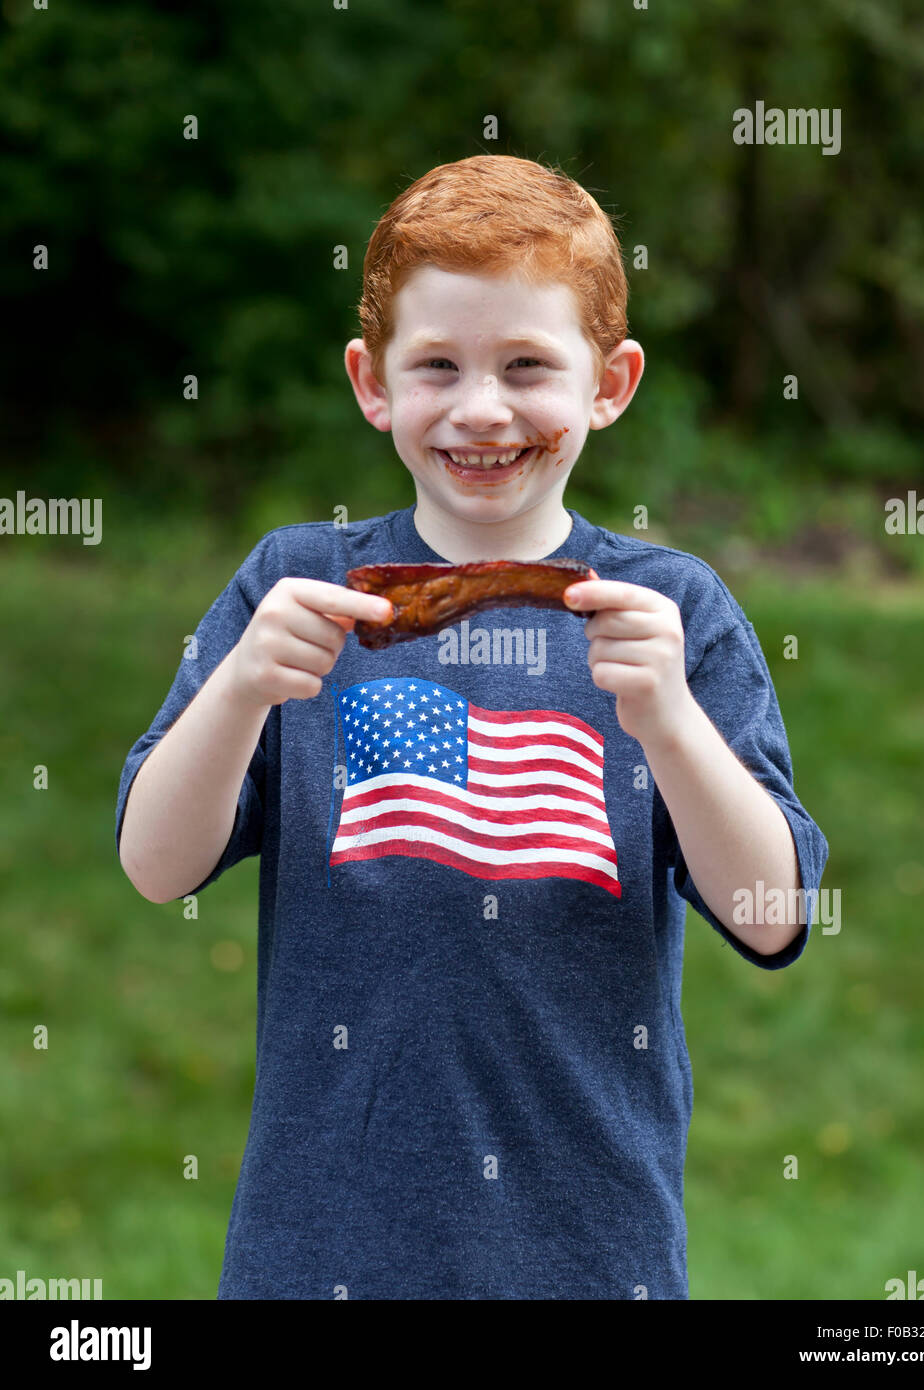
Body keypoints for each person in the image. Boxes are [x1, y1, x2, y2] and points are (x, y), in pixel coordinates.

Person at [116, 154, 828, 1300]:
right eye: (437, 364)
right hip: (322, 1254)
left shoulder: (674, 612)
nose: (482, 407)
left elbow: (773, 916)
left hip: (590, 1254)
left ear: (611, 381)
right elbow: (154, 865)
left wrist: (674, 725)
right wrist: (241, 689)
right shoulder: (294, 585)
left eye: (528, 366)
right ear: (372, 382)